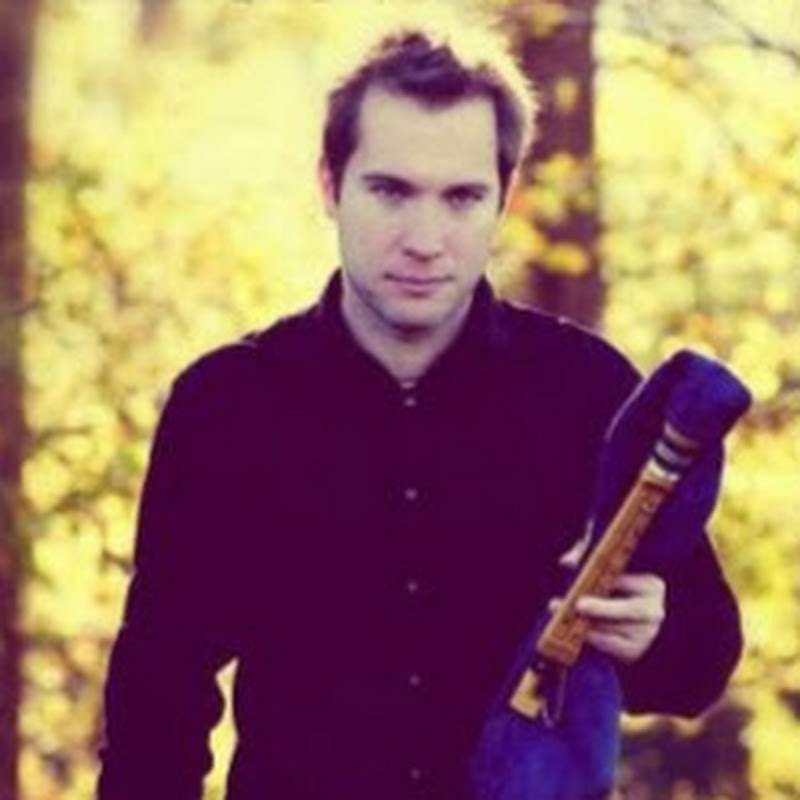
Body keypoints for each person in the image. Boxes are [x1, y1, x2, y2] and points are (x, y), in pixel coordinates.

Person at [96, 23, 742, 800]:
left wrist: (654, 637)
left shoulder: (588, 391)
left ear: (504, 197)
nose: (426, 240)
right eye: (391, 191)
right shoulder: (226, 405)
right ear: (330, 185)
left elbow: (702, 664)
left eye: (462, 197)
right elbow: (157, 700)